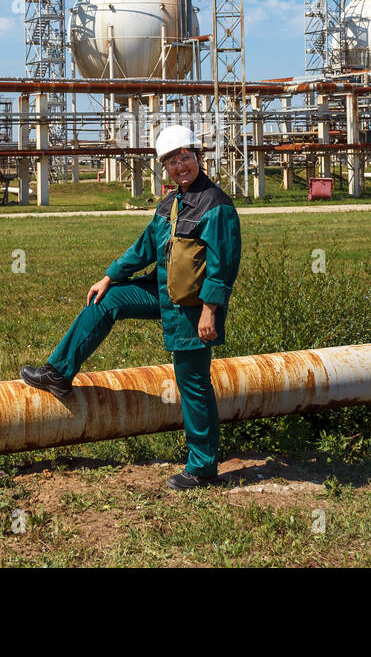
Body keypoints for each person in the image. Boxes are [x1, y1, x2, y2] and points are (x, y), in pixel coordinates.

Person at [19, 125, 242, 491]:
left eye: (185, 157)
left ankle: (202, 469)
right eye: (171, 162)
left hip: (192, 306)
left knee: (193, 382)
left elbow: (224, 264)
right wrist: (110, 276)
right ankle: (58, 373)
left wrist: (210, 311)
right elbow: (144, 247)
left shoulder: (216, 205)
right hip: (161, 292)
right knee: (107, 300)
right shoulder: (170, 203)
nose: (179, 166)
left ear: (198, 157)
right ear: (165, 168)